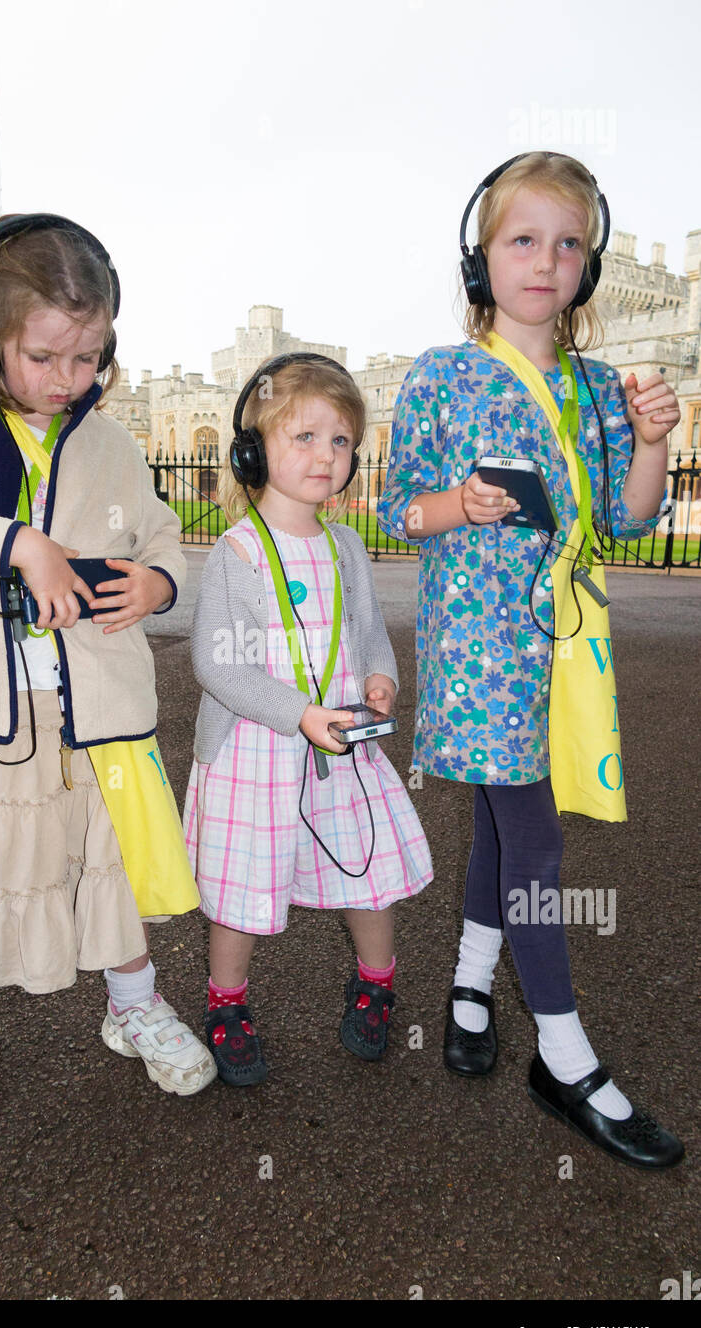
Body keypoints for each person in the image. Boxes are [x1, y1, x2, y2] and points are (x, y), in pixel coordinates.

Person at [0, 214, 216, 1164]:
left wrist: (158, 581)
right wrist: (14, 541)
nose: (69, 380)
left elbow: (159, 538)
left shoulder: (109, 441)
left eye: (89, 357)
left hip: (102, 723)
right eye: (45, 357)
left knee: (108, 869)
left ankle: (133, 1009)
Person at [377, 152, 684, 1168]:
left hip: (565, 647)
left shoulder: (599, 387)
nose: (546, 262)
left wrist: (649, 443)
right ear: (482, 259)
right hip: (483, 649)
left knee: (505, 827)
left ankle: (470, 983)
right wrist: (454, 506)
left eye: (569, 244)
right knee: (536, 840)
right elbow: (398, 512)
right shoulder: (439, 376)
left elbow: (633, 520)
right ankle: (564, 1053)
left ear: (589, 270)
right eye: (524, 239)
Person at [183, 353, 432, 1085]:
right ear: (255, 451)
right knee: (241, 884)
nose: (327, 456)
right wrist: (299, 714)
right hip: (254, 752)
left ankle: (376, 983)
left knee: (367, 873)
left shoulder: (345, 544)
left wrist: (379, 676)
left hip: (338, 746)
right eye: (305, 437)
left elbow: (364, 629)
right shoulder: (235, 554)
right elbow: (219, 668)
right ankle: (226, 1003)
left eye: (341, 441)